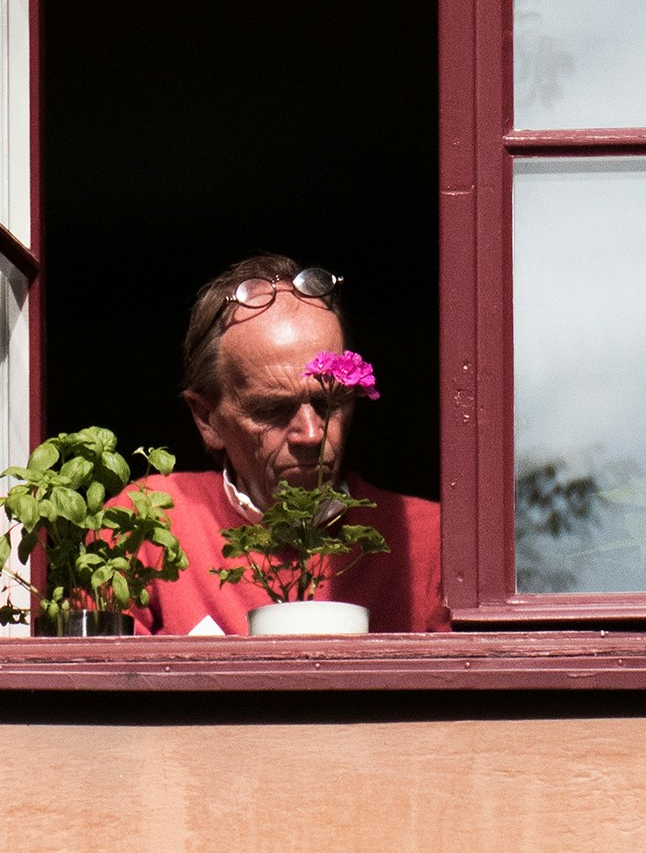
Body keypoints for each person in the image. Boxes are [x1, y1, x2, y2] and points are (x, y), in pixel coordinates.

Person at [111, 253, 442, 634]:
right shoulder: (146, 524)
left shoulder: (428, 540)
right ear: (207, 419)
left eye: (329, 403)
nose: (311, 434)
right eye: (273, 410)